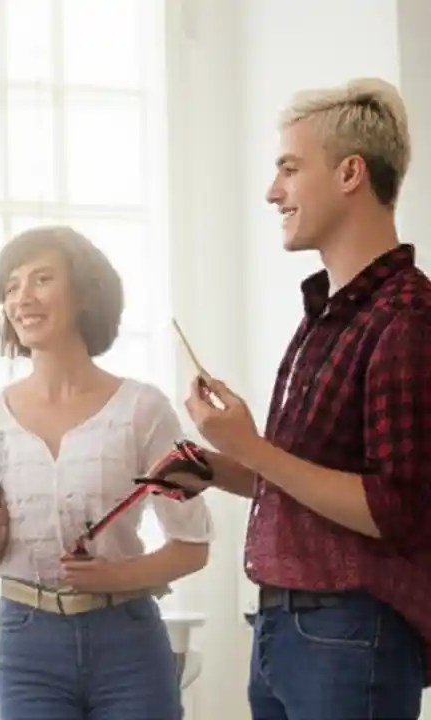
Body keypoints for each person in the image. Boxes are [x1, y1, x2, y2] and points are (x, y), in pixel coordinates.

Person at [185, 78, 430, 719]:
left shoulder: (406, 318)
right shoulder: (327, 313)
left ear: (351, 173)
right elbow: (309, 484)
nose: (273, 191)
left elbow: (396, 509)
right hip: (286, 630)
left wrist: (251, 447)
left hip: (351, 633)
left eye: (289, 169)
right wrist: (215, 465)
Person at [0, 225, 214, 720]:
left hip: (128, 642)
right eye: (11, 286)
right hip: (26, 645)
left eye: (42, 279)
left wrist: (117, 576)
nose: (22, 297)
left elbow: (193, 546)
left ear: (85, 295)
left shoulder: (147, 408)